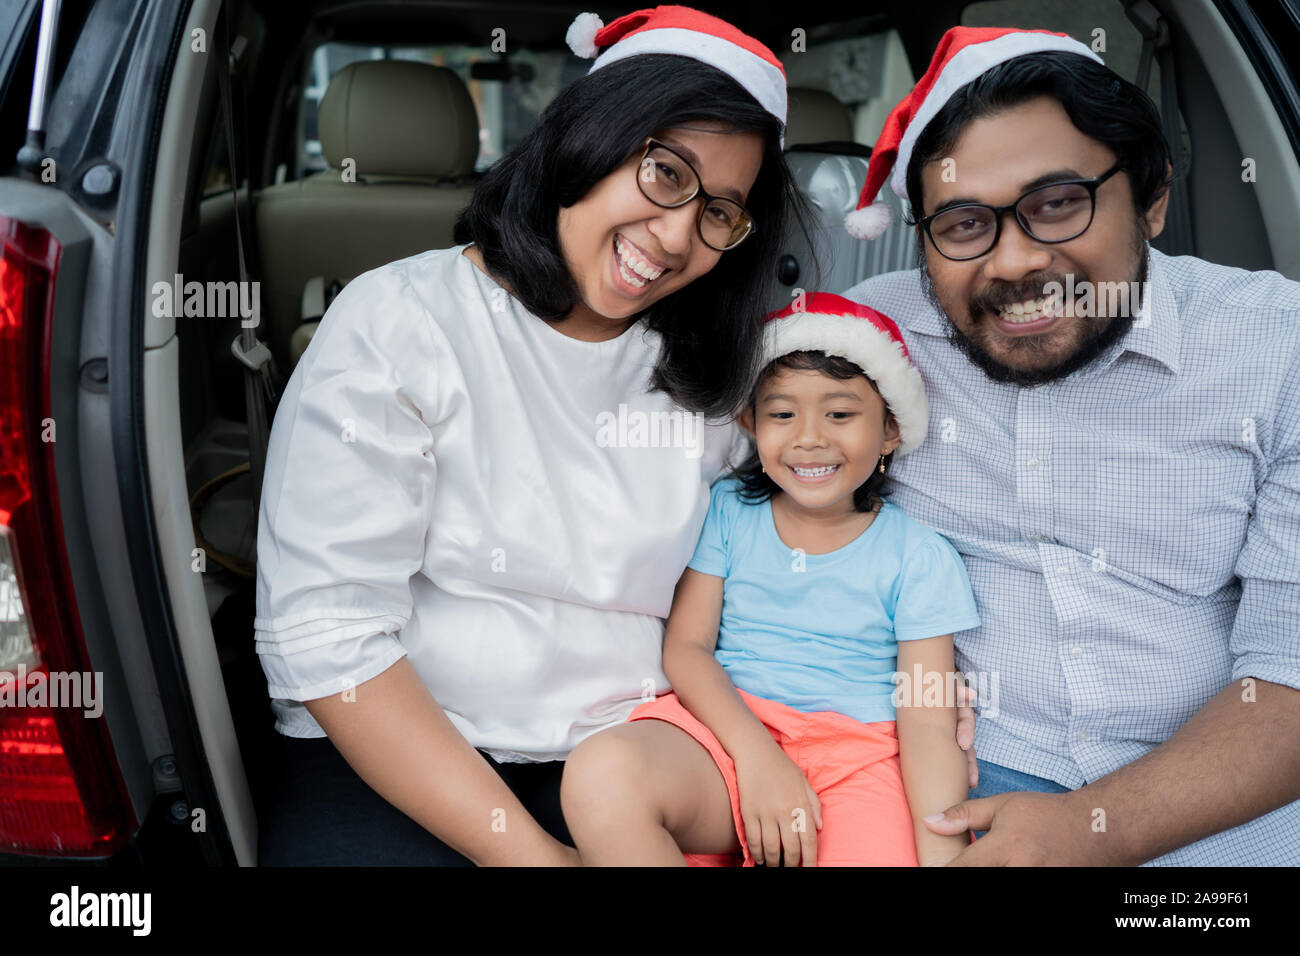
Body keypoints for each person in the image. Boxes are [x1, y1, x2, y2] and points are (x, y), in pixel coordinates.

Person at [253, 5, 812, 866]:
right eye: (664, 173)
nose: (675, 237)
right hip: (403, 749)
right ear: (585, 139)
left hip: (639, 757)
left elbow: (763, 588)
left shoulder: (721, 375)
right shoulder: (401, 320)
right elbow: (327, 631)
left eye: (721, 213)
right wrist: (536, 859)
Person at [841, 25, 1300, 864]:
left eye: (1057, 204)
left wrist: (1091, 832)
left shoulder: (1277, 349)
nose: (1015, 261)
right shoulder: (866, 342)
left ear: (1153, 196)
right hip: (940, 799)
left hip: (1223, 823)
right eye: (965, 223)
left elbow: (1292, 674)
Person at [561, 293, 981, 866]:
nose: (809, 438)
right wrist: (759, 758)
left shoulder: (920, 555)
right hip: (727, 736)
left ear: (889, 431)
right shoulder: (731, 509)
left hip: (856, 763)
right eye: (783, 414)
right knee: (602, 776)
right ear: (750, 422)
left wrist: (945, 853)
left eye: (840, 414)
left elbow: (928, 717)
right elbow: (687, 649)